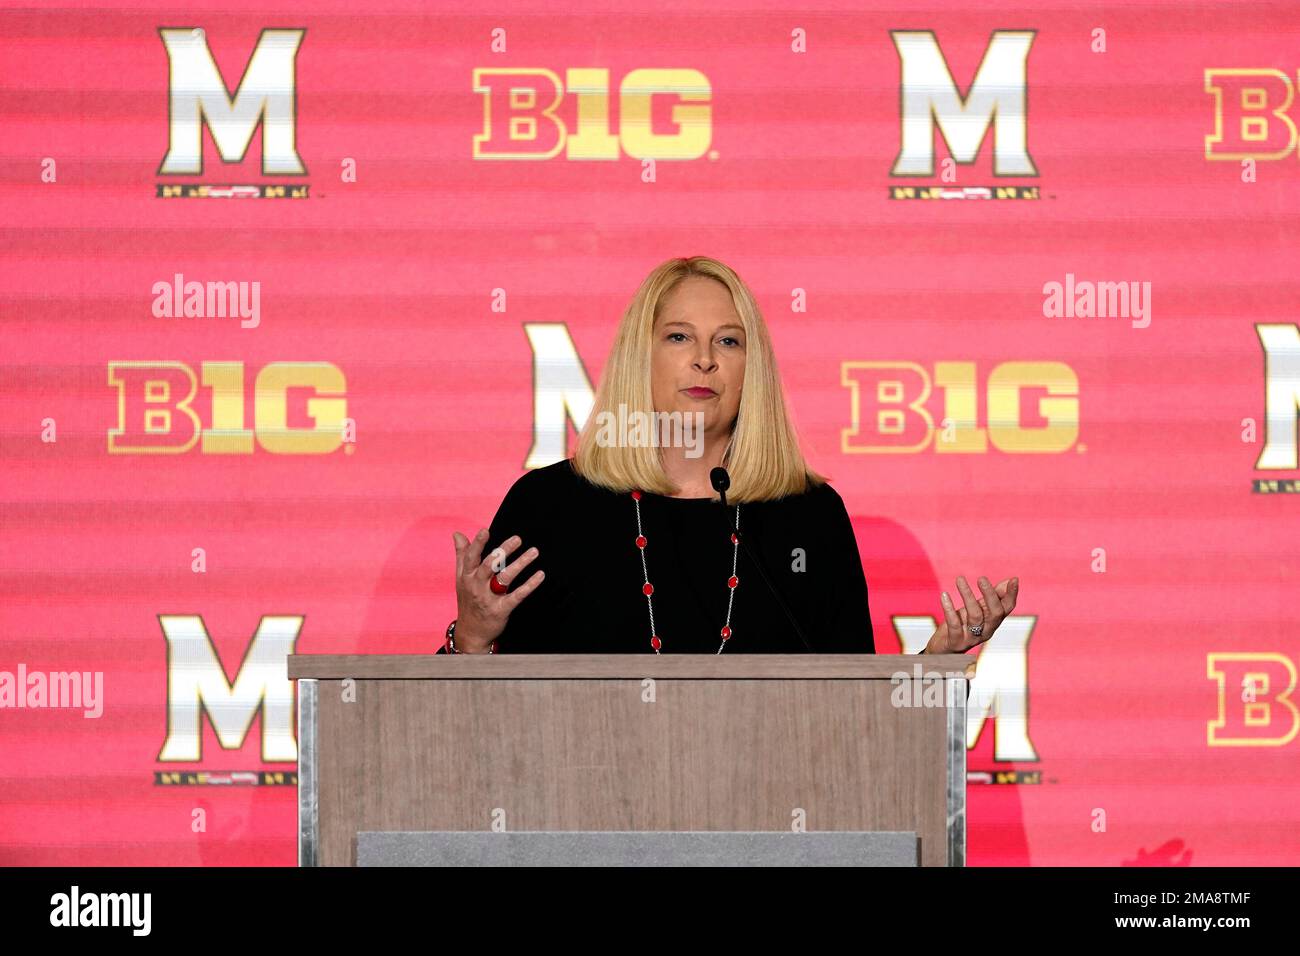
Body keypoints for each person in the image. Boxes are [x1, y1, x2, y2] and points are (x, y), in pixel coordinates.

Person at [445, 256, 1018, 654]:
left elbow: (853, 713)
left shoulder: (808, 516)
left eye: (728, 340)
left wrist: (936, 664)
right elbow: (465, 733)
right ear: (640, 357)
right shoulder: (549, 507)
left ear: (752, 367)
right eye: (678, 336)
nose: (705, 359)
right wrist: (472, 636)